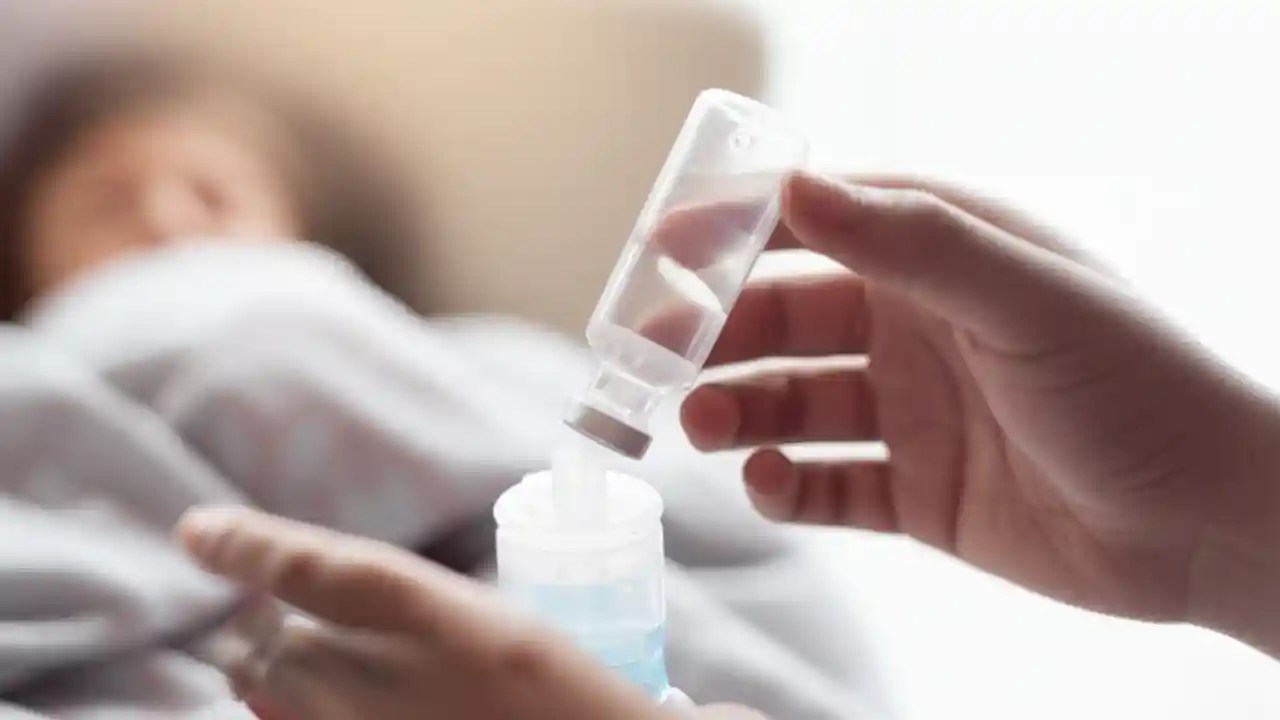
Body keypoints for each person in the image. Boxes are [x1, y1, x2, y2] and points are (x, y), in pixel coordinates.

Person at [177, 169, 1280, 719]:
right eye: (96, 192)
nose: (161, 200)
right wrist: (1228, 520)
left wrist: (1234, 513)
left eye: (210, 176)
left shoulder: (466, 351)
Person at [0, 51, 875, 720]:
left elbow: (693, 529)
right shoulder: (30, 379)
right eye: (106, 202)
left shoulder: (472, 360)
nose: (168, 221)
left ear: (311, 241)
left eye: (214, 195)